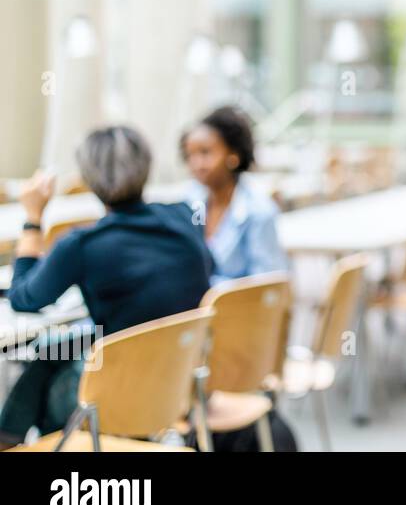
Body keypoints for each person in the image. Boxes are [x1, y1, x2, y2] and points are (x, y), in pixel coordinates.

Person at [0, 126, 213, 447]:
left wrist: (33, 217)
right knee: (52, 351)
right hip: (180, 383)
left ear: (88, 177)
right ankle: (8, 438)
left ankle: (9, 439)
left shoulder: (82, 245)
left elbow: (23, 299)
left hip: (117, 397)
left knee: (49, 360)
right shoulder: (186, 217)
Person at [180, 105, 287, 286]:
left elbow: (266, 285)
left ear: (233, 155)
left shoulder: (259, 211)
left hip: (241, 311)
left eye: (205, 153)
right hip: (197, 308)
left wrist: (205, 286)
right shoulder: (191, 200)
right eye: (190, 155)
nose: (196, 164)